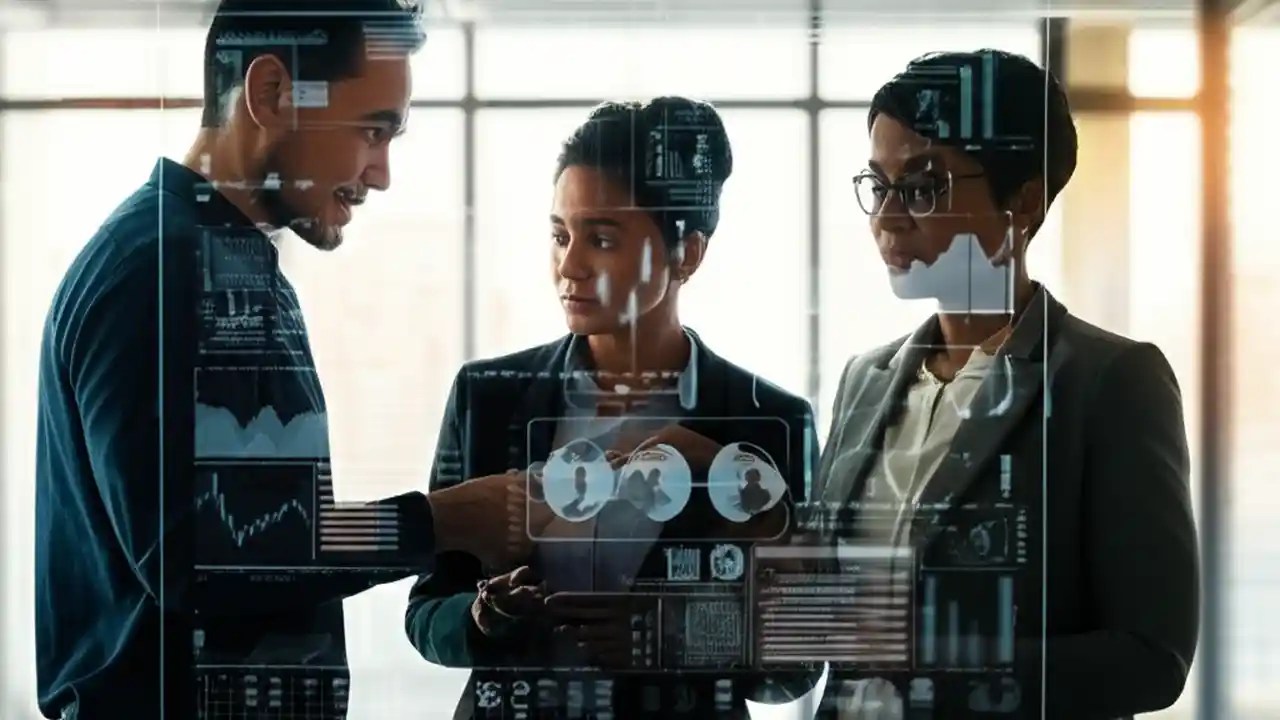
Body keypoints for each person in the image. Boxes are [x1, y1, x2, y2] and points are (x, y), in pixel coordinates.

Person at [33, 3, 544, 719]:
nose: (382, 172)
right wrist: (441, 522)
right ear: (272, 92)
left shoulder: (227, 265)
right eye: (373, 129)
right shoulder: (157, 266)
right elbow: (199, 558)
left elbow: (268, 532)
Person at [814, 49, 1199, 718]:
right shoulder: (863, 381)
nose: (886, 217)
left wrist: (934, 656)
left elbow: (1151, 658)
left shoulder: (1109, 383)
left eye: (923, 186)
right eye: (878, 184)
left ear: (1023, 202)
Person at [405, 97, 818, 718]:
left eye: (600, 238)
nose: (568, 265)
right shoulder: (488, 395)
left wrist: (673, 637)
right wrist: (483, 615)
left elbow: (795, 669)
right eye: (559, 234)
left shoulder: (768, 423)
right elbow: (426, 613)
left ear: (687, 253)